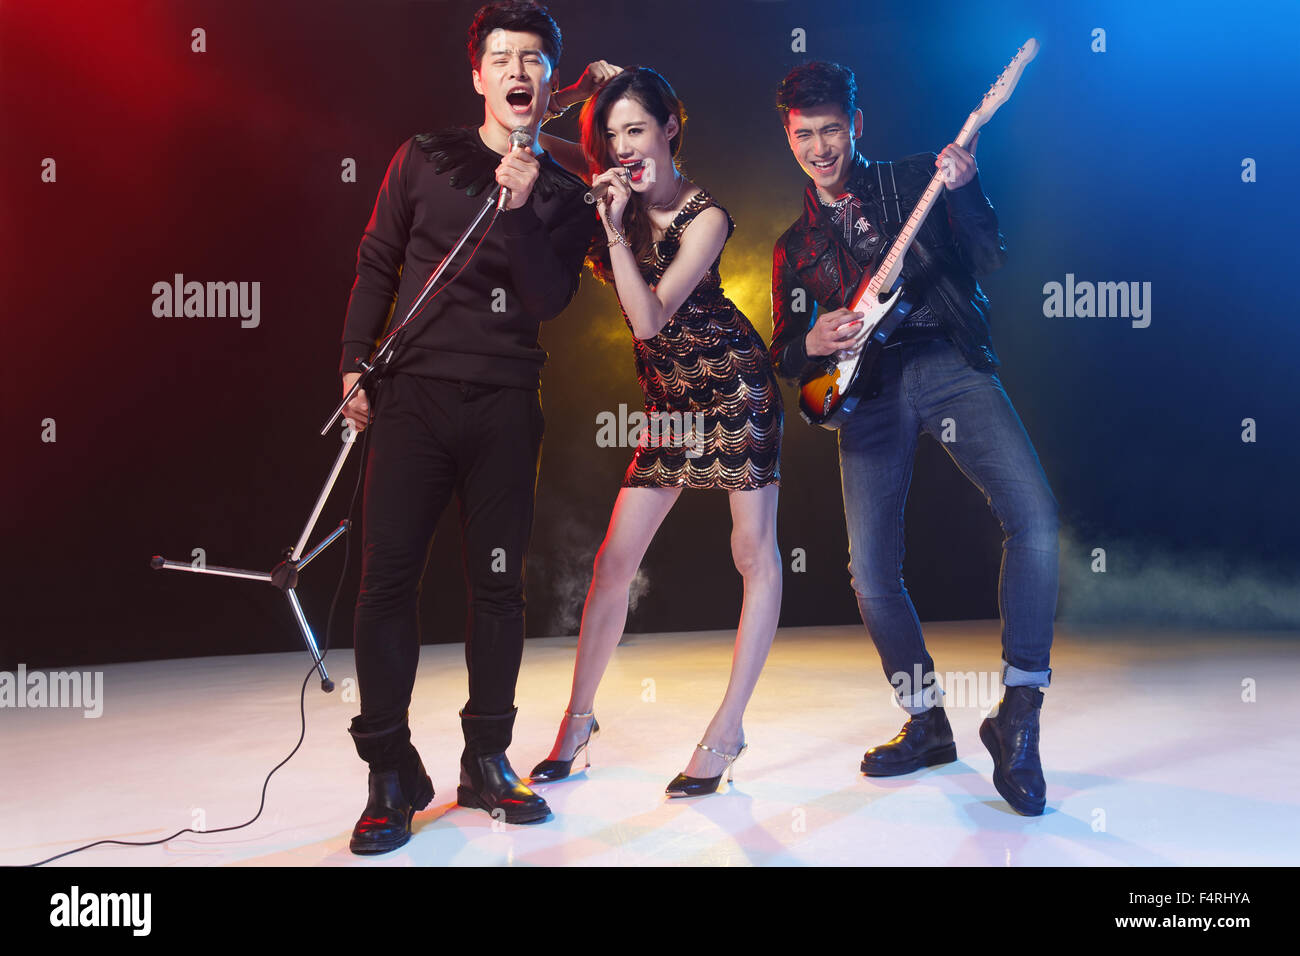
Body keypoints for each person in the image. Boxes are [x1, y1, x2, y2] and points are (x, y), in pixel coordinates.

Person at [337, 1, 609, 853]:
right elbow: (379, 258)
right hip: (411, 396)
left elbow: (546, 299)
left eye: (532, 58)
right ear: (478, 75)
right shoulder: (421, 157)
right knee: (387, 581)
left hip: (501, 404)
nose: (517, 71)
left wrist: (526, 206)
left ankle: (487, 758)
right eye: (501, 57)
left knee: (497, 587)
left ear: (547, 76)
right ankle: (389, 772)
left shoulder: (564, 187)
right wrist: (354, 362)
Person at [769, 61, 1059, 815]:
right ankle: (927, 720)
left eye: (833, 128)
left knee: (1035, 520)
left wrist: (967, 189)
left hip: (944, 361)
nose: (821, 147)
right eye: (805, 134)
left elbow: (988, 256)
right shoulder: (791, 247)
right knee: (870, 575)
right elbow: (783, 356)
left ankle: (1019, 716)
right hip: (865, 394)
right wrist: (811, 338)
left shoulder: (914, 181)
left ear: (856, 124)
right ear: (788, 136)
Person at [527, 67, 784, 797]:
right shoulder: (614, 181)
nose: (623, 150)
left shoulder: (707, 216)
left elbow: (647, 319)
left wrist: (609, 230)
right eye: (610, 138)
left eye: (637, 129)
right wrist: (579, 92)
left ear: (672, 126)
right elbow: (526, 138)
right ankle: (577, 723)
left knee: (752, 553)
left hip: (733, 388)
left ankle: (727, 732)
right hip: (671, 401)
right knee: (613, 562)